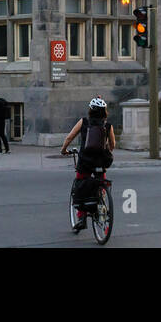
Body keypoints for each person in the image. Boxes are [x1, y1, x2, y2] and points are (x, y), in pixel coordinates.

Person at [60, 96, 116, 232]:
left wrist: (63, 150)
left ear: (91, 110)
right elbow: (113, 145)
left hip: (85, 160)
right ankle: (101, 203)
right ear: (104, 112)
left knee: (81, 182)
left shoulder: (84, 122)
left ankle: (82, 217)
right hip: (100, 161)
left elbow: (69, 137)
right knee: (100, 182)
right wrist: (107, 149)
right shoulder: (108, 126)